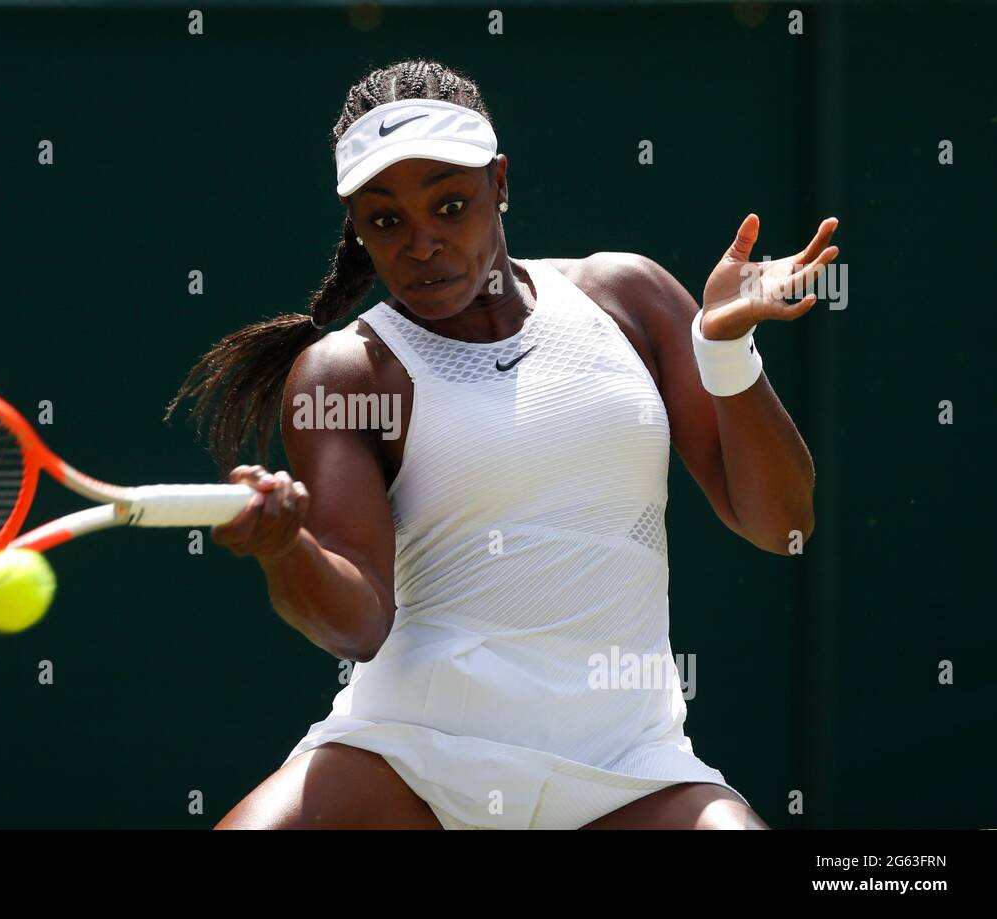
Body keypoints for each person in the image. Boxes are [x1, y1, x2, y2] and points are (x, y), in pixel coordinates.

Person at [164, 58, 835, 829]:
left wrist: (725, 349)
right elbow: (358, 624)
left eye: (451, 205)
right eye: (387, 220)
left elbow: (783, 524)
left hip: (628, 774)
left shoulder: (630, 299)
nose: (422, 243)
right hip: (410, 762)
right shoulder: (345, 373)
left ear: (501, 183)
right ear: (357, 224)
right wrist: (286, 548)